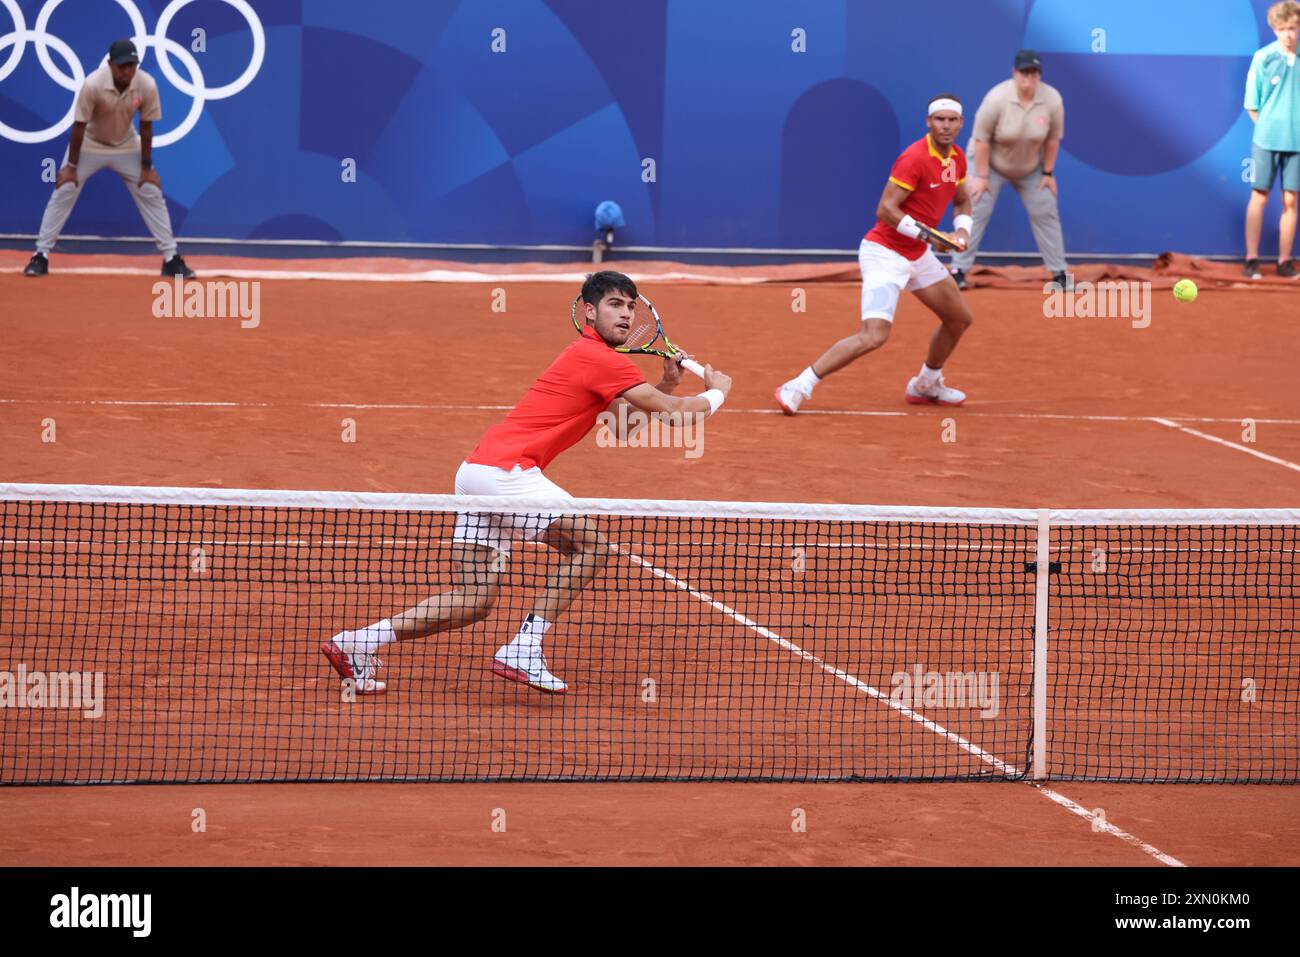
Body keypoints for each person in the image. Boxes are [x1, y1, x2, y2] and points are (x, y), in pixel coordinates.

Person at [321, 271, 733, 695]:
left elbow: (623, 426)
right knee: (591, 547)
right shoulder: (604, 359)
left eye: (631, 306)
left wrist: (666, 381)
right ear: (589, 312)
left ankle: (356, 643)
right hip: (507, 474)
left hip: (476, 473)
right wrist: (717, 392)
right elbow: (674, 413)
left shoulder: (593, 358)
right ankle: (524, 647)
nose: (626, 313)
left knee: (474, 599)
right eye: (615, 304)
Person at [775, 93, 974, 413]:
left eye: (952, 120)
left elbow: (963, 199)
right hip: (884, 253)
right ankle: (798, 385)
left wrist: (962, 230)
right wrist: (931, 236)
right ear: (928, 122)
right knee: (874, 335)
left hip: (917, 254)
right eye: (940, 119)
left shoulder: (958, 159)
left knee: (958, 318)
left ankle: (926, 383)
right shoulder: (914, 158)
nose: (946, 126)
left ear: (961, 123)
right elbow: (885, 210)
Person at [23, 39, 194, 279]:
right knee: (64, 189)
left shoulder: (146, 84)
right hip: (89, 144)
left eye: (132, 66)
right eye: (122, 66)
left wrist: (146, 168)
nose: (127, 71)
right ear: (110, 64)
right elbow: (79, 126)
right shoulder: (93, 84)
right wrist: (71, 167)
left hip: (126, 144)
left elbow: (146, 126)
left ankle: (171, 259)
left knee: (151, 191)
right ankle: (40, 255)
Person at [949, 50, 1068, 291]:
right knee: (976, 206)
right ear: (1015, 73)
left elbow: (1053, 139)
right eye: (1024, 72)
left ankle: (1060, 274)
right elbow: (981, 139)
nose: (1029, 78)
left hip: (1031, 166)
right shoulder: (996, 98)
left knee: (1046, 209)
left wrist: (1048, 173)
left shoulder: (1052, 99)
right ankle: (958, 270)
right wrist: (981, 177)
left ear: (1039, 75)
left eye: (1034, 73)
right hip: (989, 163)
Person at [1244, 1, 1300, 279]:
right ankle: (1252, 259)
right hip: (1266, 140)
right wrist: (1268, 129)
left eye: (1293, 28)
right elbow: (1251, 104)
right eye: (1283, 29)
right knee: (1260, 196)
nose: (1288, 34)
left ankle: (1284, 262)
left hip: (1297, 144)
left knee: (1291, 201)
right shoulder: (1263, 58)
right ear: (1274, 30)